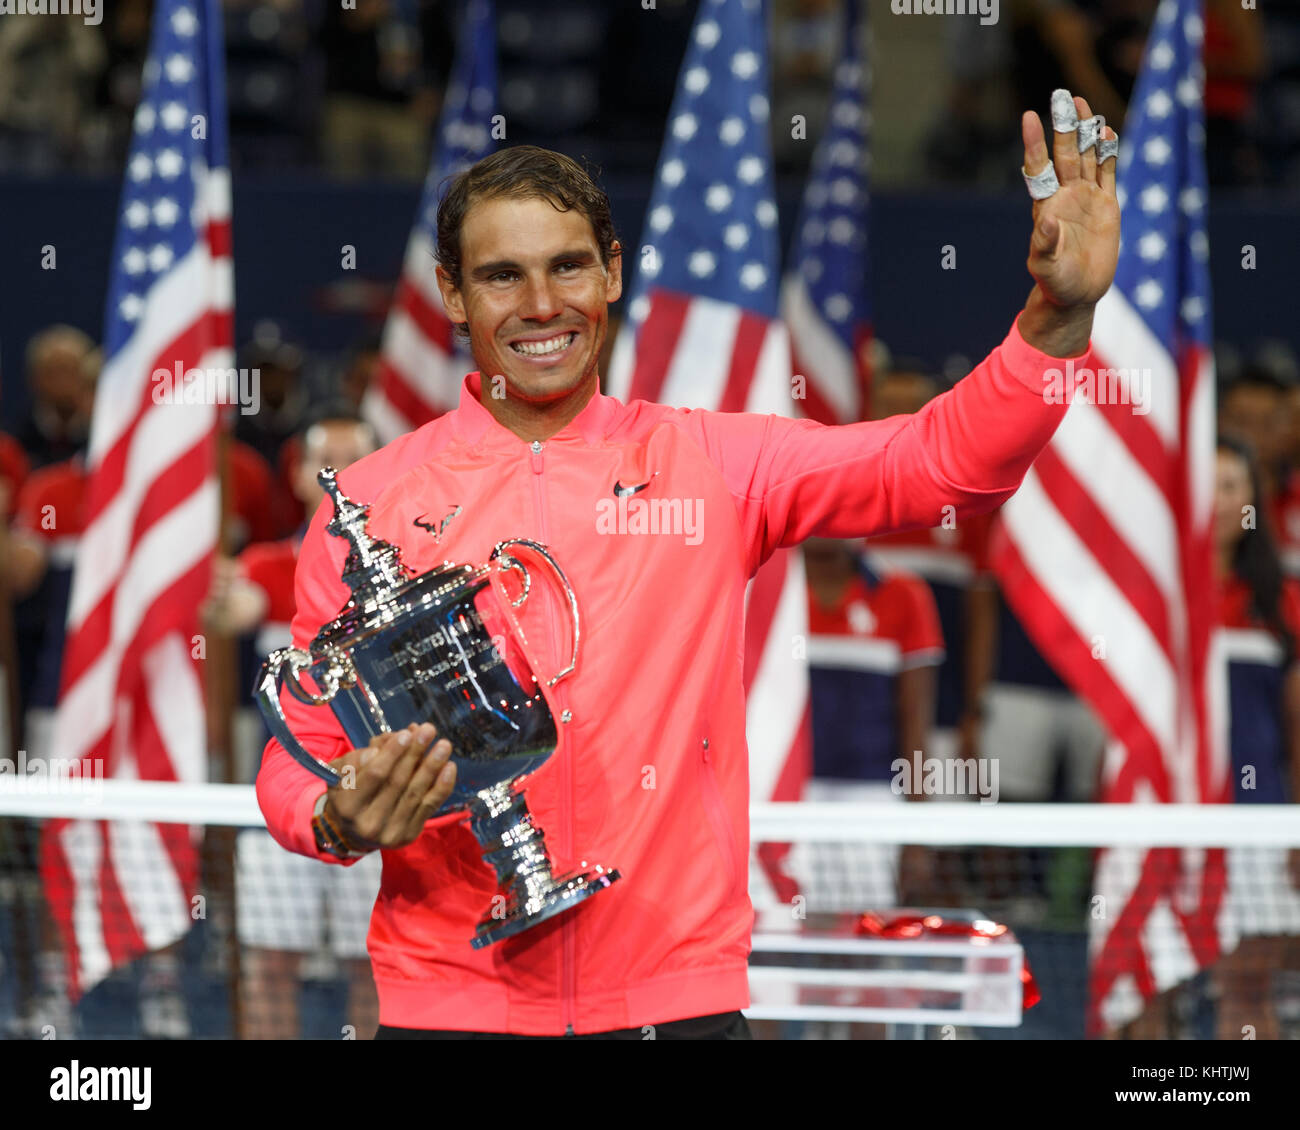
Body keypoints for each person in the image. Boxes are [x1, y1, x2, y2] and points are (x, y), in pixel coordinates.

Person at [257, 91, 1122, 1039]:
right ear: (453, 294)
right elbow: (301, 753)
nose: (542, 306)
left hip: (680, 1005)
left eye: (569, 267)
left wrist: (1054, 319)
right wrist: (338, 819)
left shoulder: (714, 463)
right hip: (449, 1007)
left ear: (613, 273)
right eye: (502, 276)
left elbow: (934, 468)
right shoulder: (369, 508)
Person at [205, 410, 382, 1040]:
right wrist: (214, 597)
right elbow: (234, 613)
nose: (336, 472)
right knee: (271, 962)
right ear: (301, 476)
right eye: (322, 459)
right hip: (283, 798)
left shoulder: (398, 573)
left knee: (375, 967)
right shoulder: (265, 566)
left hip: (378, 793)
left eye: (352, 457)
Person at [1211, 434, 1300, 1041]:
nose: (1217, 502)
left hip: (1260, 823)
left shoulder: (1282, 602)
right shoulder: (1153, 596)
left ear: (1251, 499)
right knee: (1141, 996)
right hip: (1166, 823)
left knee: (1248, 991)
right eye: (1206, 487)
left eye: (1230, 487)